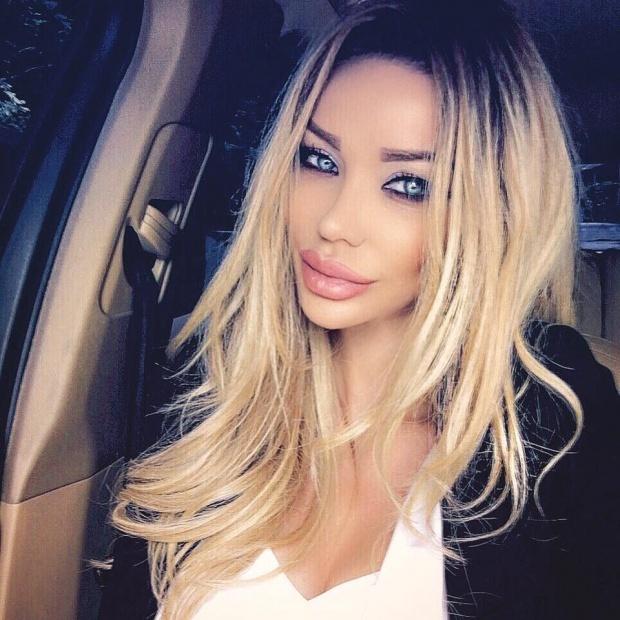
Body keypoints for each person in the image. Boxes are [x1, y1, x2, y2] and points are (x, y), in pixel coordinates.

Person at [98, 1, 620, 619]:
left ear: (496, 211)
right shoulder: (214, 394)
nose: (334, 222)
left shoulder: (557, 428)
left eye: (409, 185)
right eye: (320, 160)